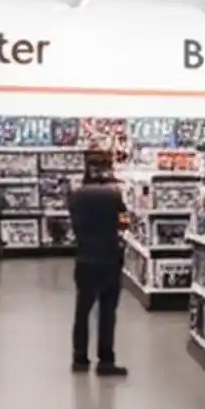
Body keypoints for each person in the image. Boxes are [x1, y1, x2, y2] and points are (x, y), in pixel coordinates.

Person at [67, 152, 130, 377]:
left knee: (82, 311)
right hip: (109, 259)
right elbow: (125, 222)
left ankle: (80, 358)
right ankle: (106, 361)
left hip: (84, 258)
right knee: (107, 312)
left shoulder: (75, 196)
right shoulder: (113, 196)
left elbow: (73, 223)